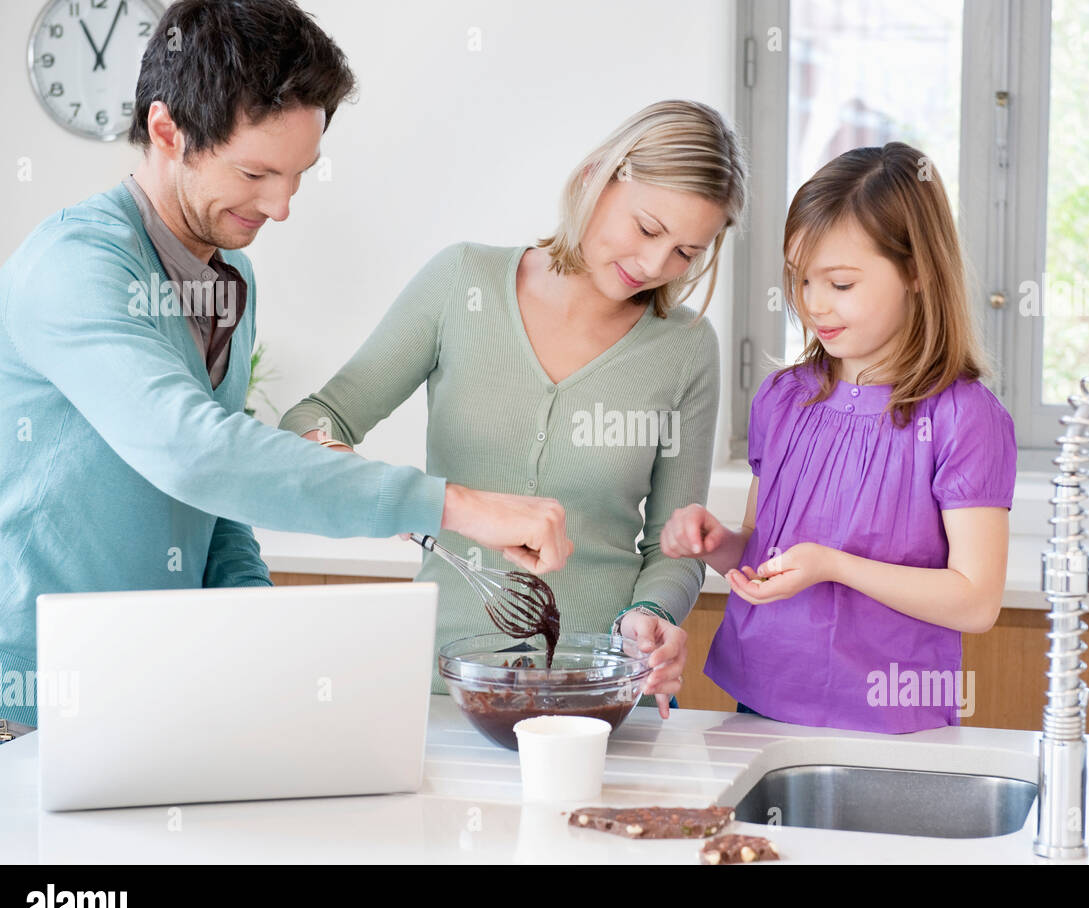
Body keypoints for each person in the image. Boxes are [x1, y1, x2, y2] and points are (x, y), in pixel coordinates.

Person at [0, 0, 569, 747]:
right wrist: (453, 506)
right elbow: (194, 452)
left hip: (145, 698)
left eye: (299, 175)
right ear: (167, 131)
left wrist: (263, 646)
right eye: (256, 172)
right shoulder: (73, 267)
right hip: (23, 709)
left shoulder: (232, 282)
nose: (282, 207)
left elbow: (217, 508)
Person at [279, 100, 747, 715]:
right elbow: (309, 425)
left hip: (599, 698)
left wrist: (650, 613)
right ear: (594, 179)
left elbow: (671, 545)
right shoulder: (460, 285)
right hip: (447, 693)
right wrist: (399, 497)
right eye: (649, 229)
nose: (656, 266)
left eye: (687, 252)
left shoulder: (685, 348)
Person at [660, 142, 1016, 732]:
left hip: (890, 720)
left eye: (841, 284)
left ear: (917, 272)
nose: (813, 304)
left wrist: (834, 566)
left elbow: (976, 600)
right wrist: (718, 545)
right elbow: (763, 554)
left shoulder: (963, 416)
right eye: (801, 280)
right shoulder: (784, 398)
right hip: (760, 699)